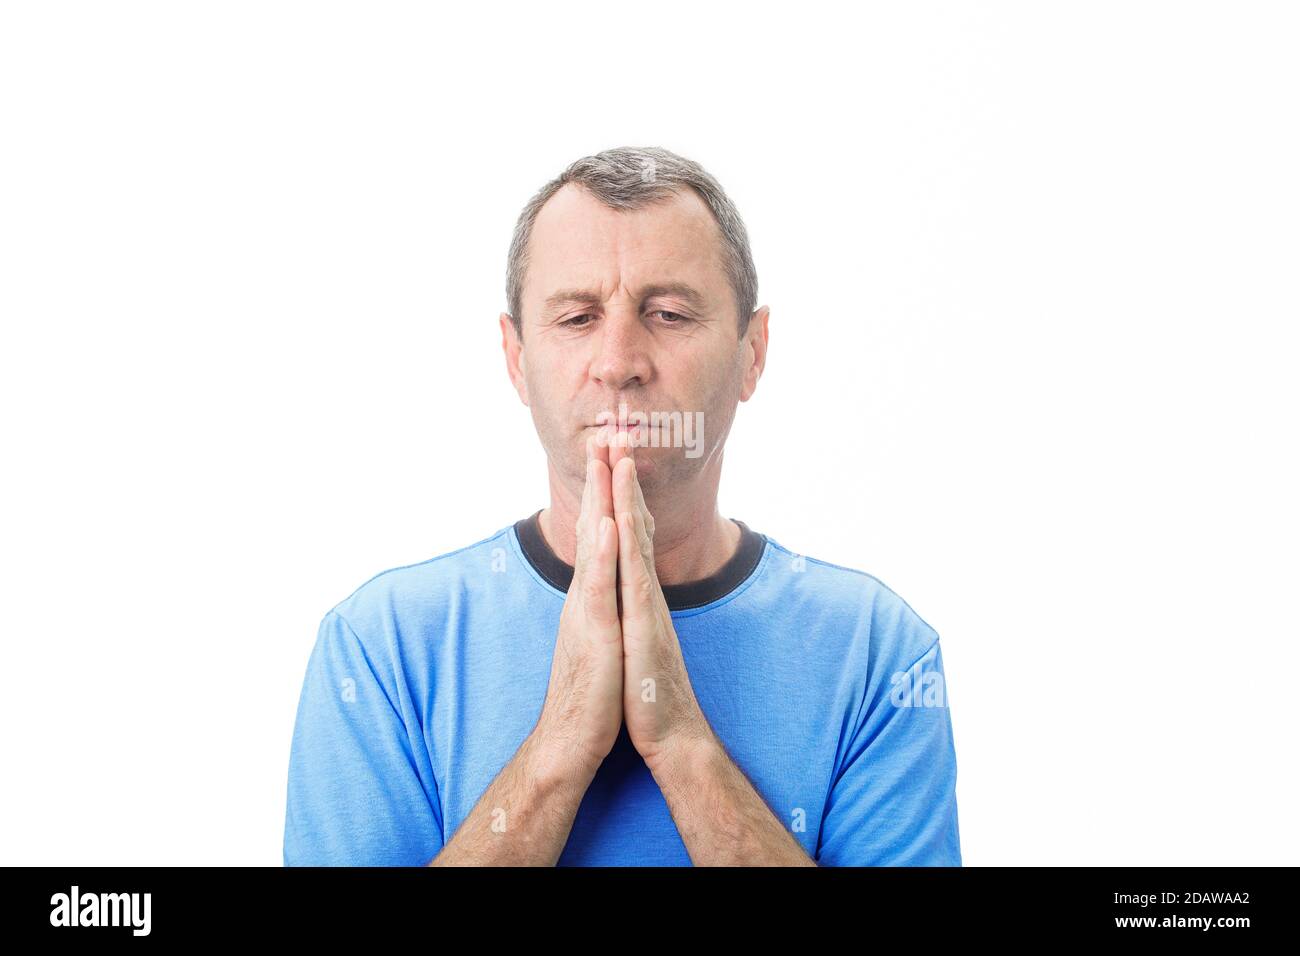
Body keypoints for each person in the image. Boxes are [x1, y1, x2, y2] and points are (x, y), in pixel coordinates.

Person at [282, 146, 961, 866]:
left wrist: (683, 747)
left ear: (752, 353)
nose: (618, 361)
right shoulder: (381, 647)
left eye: (668, 313)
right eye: (576, 318)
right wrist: (561, 744)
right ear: (516, 358)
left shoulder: (877, 652)